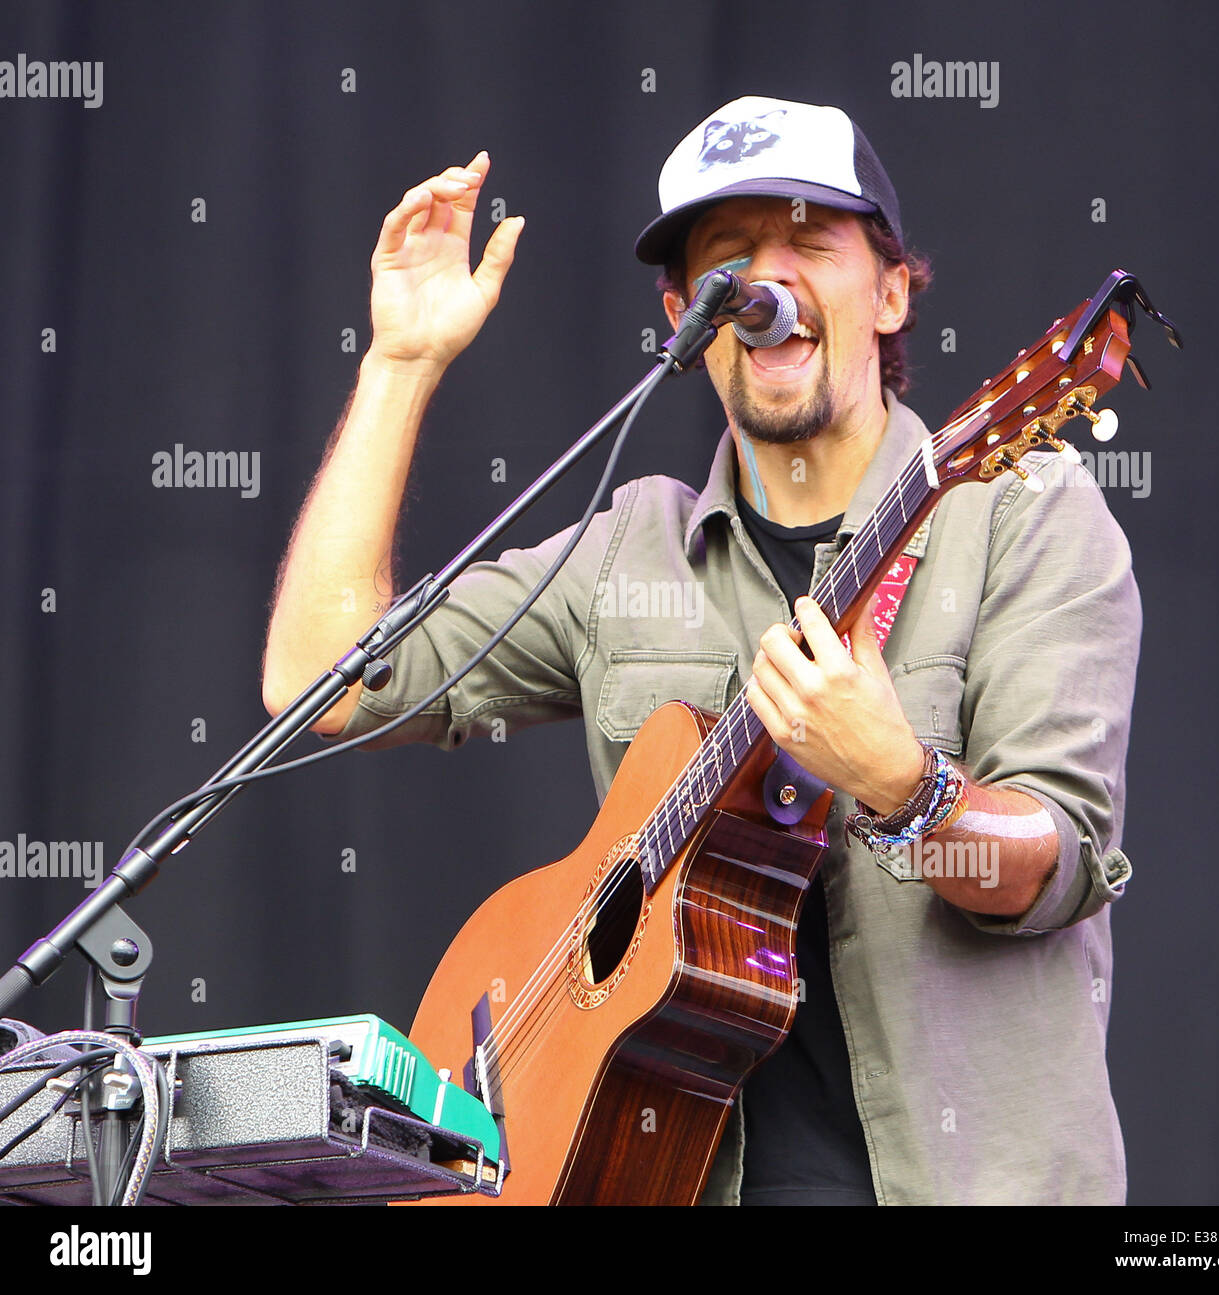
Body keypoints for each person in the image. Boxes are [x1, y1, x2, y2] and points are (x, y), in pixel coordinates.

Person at [261, 95, 1140, 1205]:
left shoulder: (1019, 511)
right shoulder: (631, 545)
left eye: (808, 242)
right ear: (688, 317)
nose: (766, 287)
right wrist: (398, 363)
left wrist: (903, 785)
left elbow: (1051, 863)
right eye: (728, 265)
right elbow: (318, 683)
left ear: (890, 290)